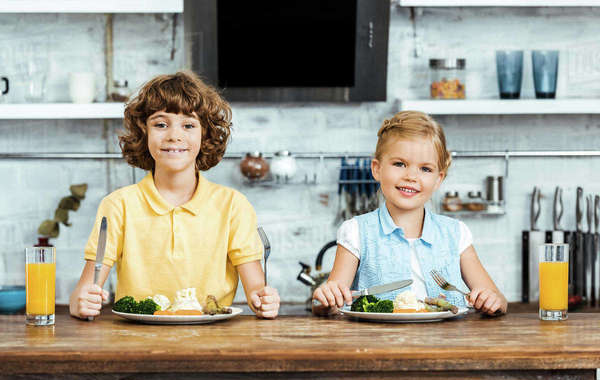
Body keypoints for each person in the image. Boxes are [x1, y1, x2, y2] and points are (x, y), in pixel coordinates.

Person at [70, 71, 279, 319]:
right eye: (160, 124)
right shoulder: (118, 205)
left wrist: (264, 300)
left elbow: (256, 290)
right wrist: (81, 303)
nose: (174, 135)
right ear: (143, 132)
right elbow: (81, 295)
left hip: (215, 342)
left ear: (205, 134)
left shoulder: (233, 206)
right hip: (135, 342)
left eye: (189, 125)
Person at [312, 111, 507, 316]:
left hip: (449, 344)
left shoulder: (456, 233)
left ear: (438, 179)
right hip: (378, 344)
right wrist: (326, 297)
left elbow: (499, 300)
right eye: (399, 164)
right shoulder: (356, 232)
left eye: (425, 169)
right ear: (376, 169)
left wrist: (492, 300)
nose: (411, 176)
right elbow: (325, 304)